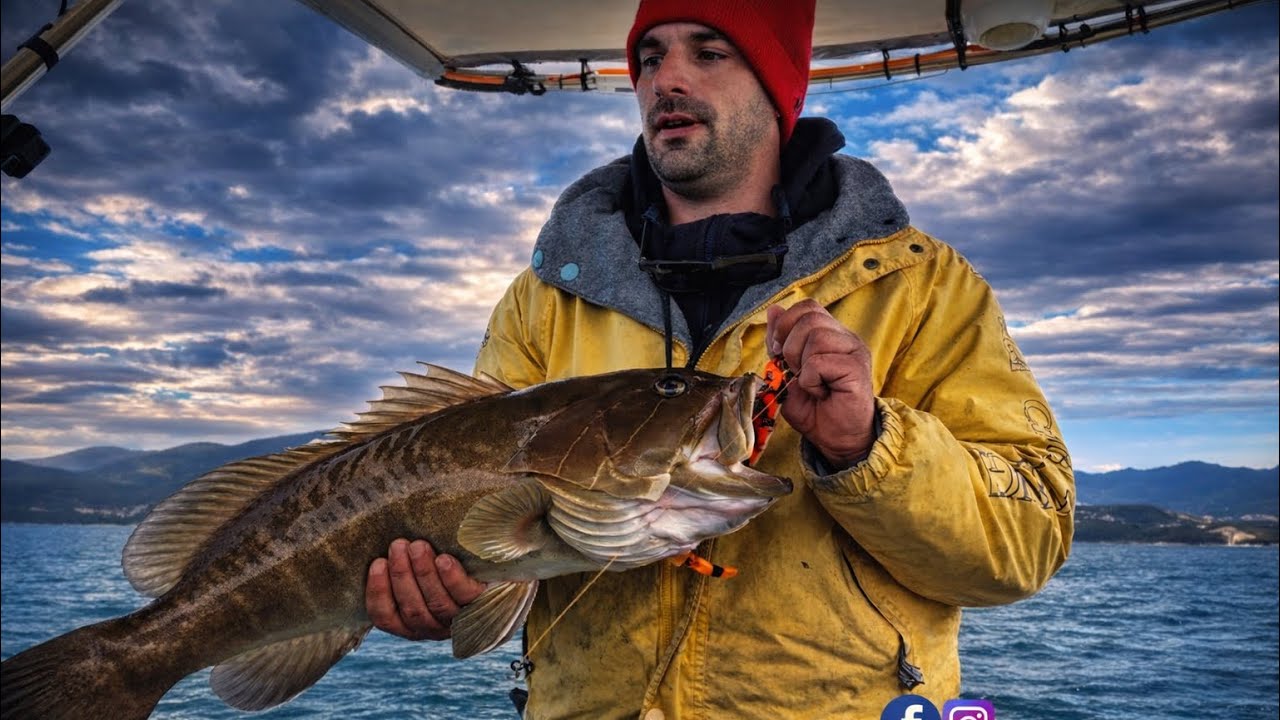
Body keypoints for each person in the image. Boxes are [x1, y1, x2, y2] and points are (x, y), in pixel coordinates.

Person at [365, 0, 1075, 717]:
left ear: (777, 88)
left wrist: (869, 446)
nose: (665, 79)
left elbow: (1026, 544)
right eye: (649, 58)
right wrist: (445, 595)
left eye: (709, 53)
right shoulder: (542, 298)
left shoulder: (924, 286)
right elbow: (483, 531)